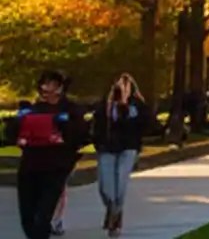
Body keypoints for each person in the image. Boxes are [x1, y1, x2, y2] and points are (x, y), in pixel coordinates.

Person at [3, 71, 89, 239]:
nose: (47, 88)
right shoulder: (30, 109)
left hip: (56, 167)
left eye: (52, 84)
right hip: (30, 166)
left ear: (60, 88)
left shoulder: (71, 110)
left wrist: (64, 135)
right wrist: (16, 135)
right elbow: (11, 132)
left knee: (43, 216)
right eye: (44, 84)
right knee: (27, 216)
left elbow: (80, 135)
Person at [90, 73, 150, 238]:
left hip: (127, 148)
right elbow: (97, 125)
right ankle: (112, 209)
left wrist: (124, 106)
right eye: (120, 84)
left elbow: (142, 126)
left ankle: (115, 220)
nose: (123, 88)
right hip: (107, 148)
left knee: (120, 184)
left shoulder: (136, 105)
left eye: (126, 85)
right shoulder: (105, 106)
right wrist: (98, 143)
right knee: (105, 187)